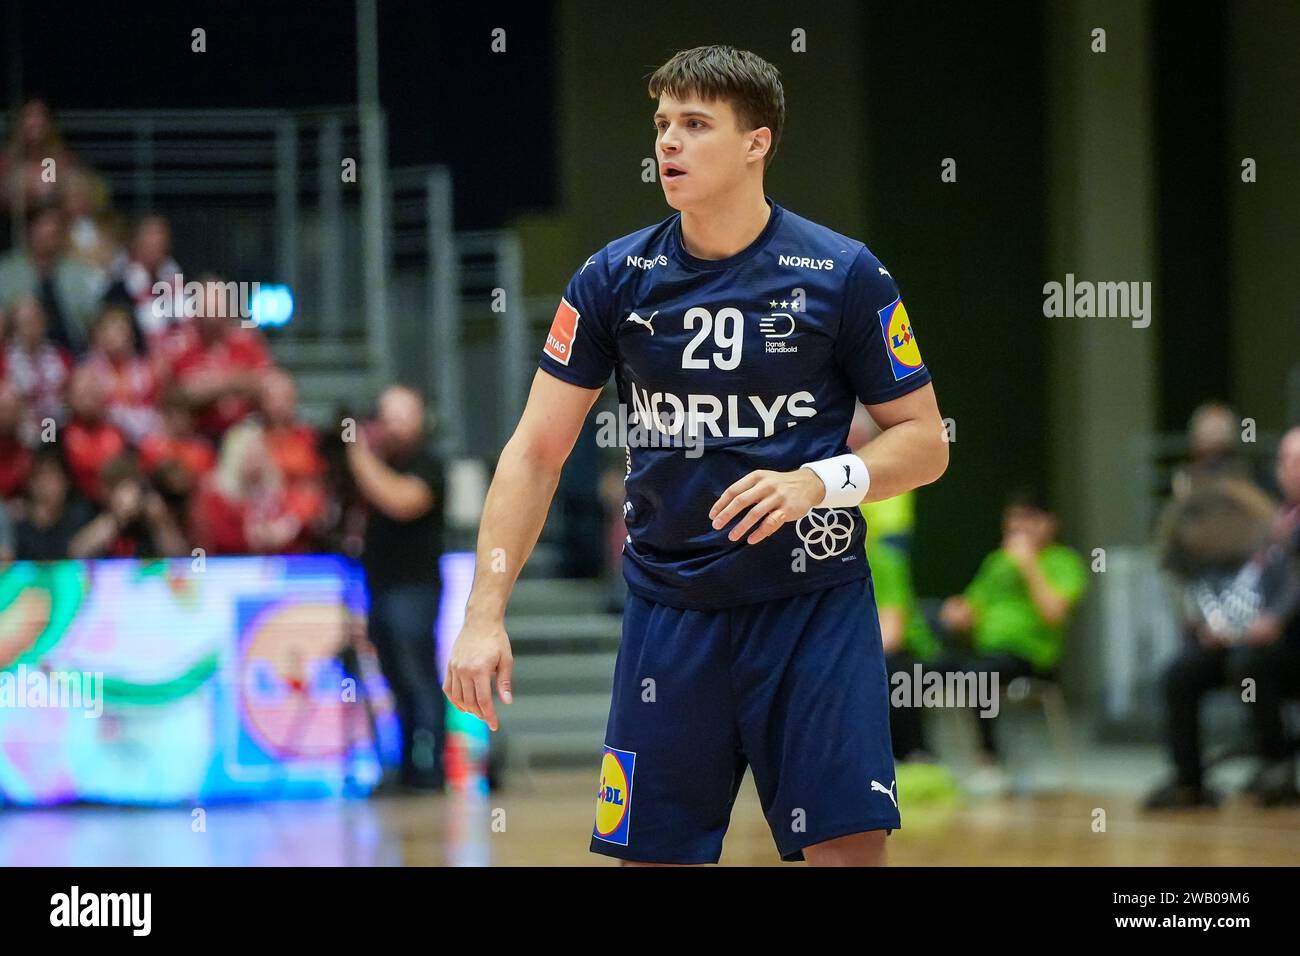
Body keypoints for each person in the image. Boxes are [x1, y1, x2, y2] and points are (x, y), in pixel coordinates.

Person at [444, 45, 948, 866]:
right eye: (662, 125)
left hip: (812, 608)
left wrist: (818, 482)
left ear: (758, 143)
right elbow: (534, 453)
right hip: (672, 614)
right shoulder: (613, 279)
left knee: (849, 855)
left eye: (695, 125)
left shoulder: (844, 273)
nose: (667, 144)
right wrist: (482, 613)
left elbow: (926, 442)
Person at [1144, 427, 1300, 809]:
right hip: (1248, 638)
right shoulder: (1263, 518)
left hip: (1292, 642)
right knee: (1182, 672)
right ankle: (1189, 781)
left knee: (1248, 666)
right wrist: (1212, 620)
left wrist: (1277, 620)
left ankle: (1276, 767)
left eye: (1297, 461)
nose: (1289, 469)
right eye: (1284, 460)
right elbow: (1223, 574)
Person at [937, 491, 1087, 779]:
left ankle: (989, 761)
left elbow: (1053, 612)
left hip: (1030, 657)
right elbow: (973, 605)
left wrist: (1028, 565)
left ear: (1049, 524)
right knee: (920, 671)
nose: (1018, 528)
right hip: (985, 653)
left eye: (1028, 520)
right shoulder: (997, 562)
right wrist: (958, 611)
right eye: (1013, 521)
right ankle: (920, 759)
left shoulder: (1064, 562)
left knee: (977, 677)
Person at [347, 385, 447, 793]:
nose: (396, 425)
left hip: (415, 591)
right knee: (393, 679)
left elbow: (399, 500)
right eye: (389, 416)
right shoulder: (377, 462)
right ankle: (408, 766)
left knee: (418, 676)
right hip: (381, 588)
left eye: (405, 415)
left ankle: (434, 769)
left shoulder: (429, 466)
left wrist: (358, 454)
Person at [13, 448, 96, 561]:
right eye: (40, 476)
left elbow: (78, 553)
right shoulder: (17, 521)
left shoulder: (81, 515)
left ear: (66, 482)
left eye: (52, 476)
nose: (45, 483)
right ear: (29, 482)